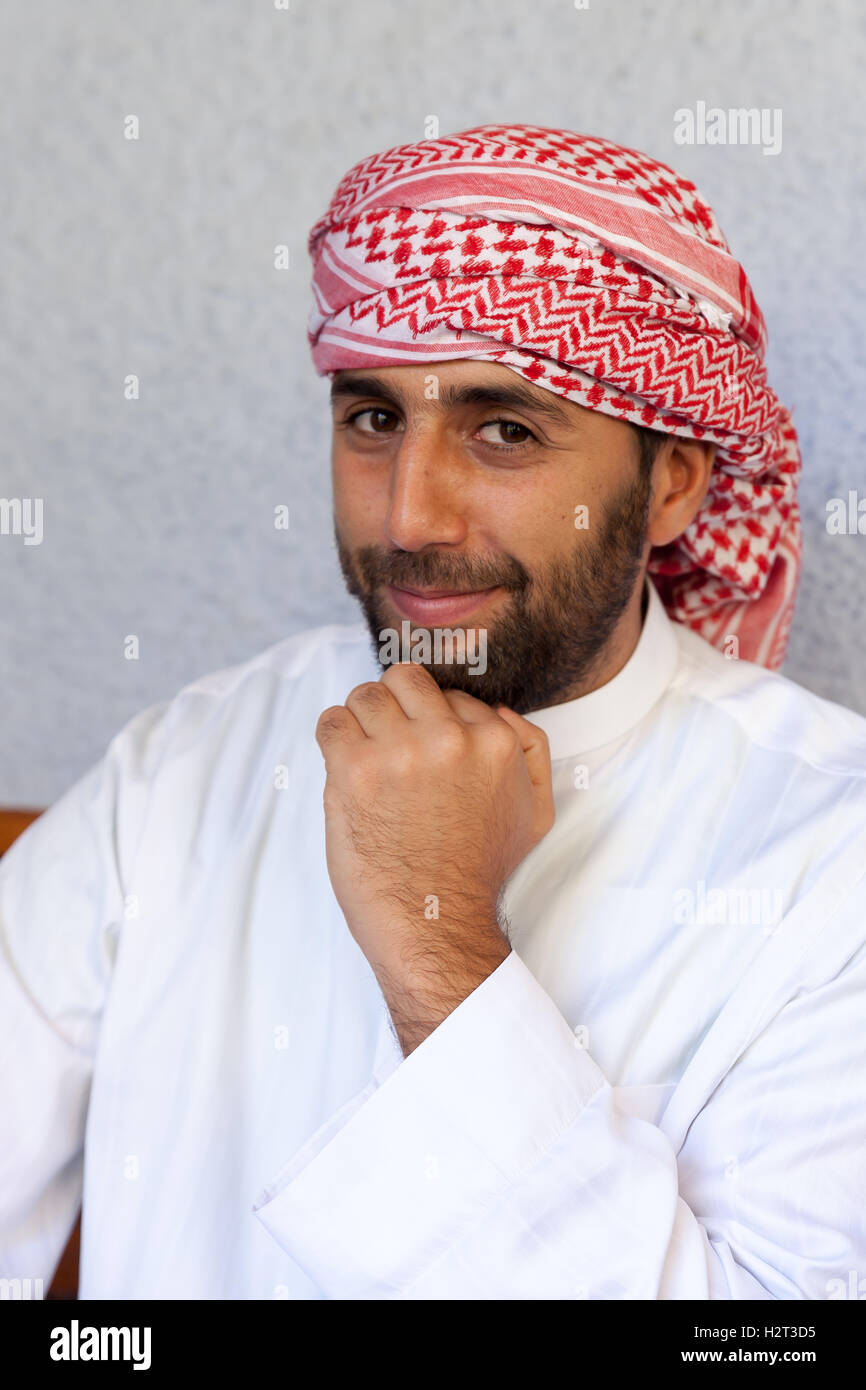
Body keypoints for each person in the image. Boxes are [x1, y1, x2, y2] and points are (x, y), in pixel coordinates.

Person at [2, 123, 864, 1301]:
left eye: (502, 429)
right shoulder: (186, 766)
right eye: (373, 419)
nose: (409, 516)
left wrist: (439, 948)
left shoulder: (828, 855)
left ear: (671, 482)